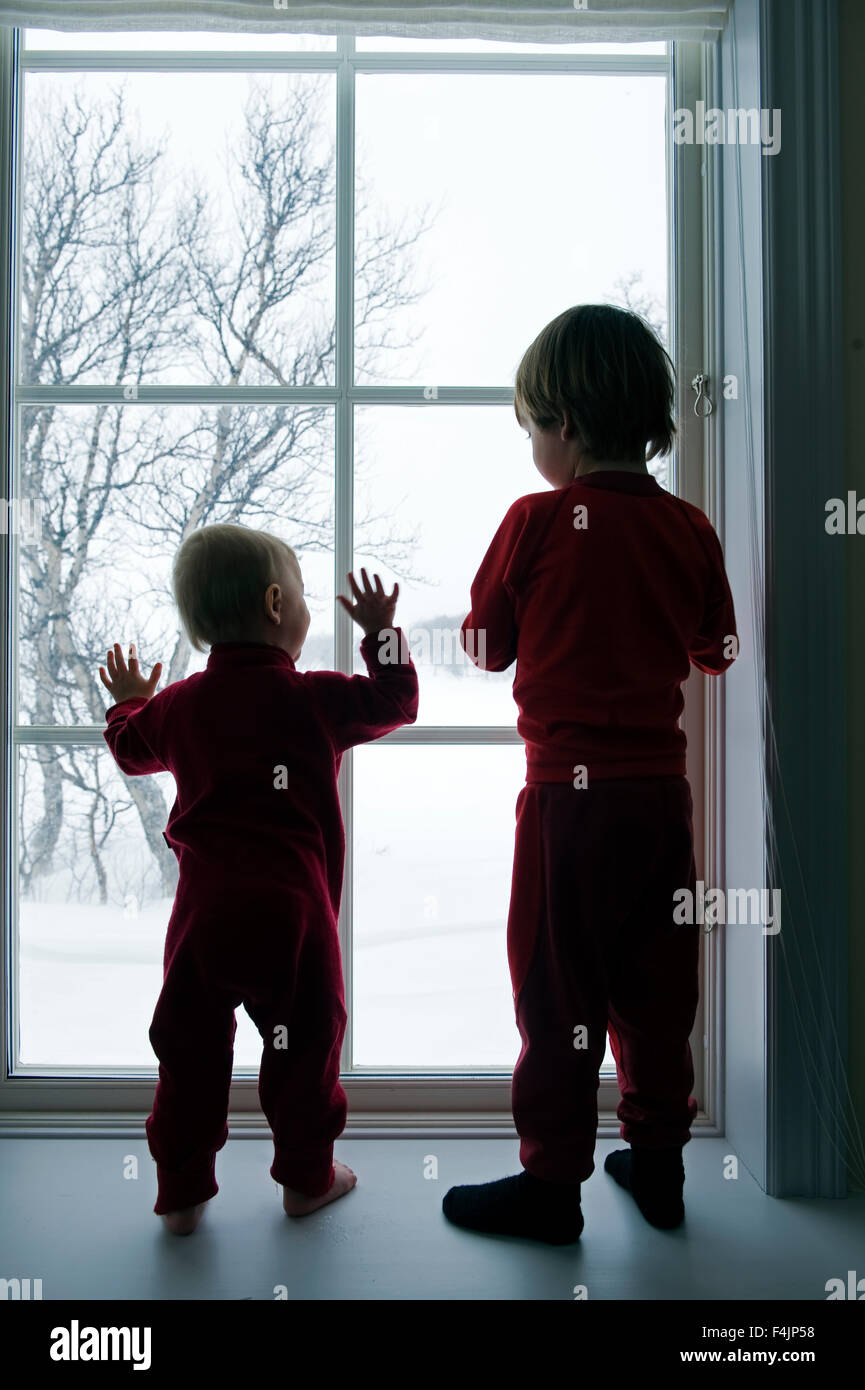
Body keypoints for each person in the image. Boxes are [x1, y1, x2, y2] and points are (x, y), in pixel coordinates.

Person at [443, 304, 737, 1245]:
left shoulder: (534, 522)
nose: (532, 443)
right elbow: (716, 649)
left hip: (565, 808)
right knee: (657, 990)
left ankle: (551, 1185)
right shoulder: (688, 527)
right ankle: (657, 1167)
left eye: (532, 424)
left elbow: (485, 646)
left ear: (563, 424)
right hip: (660, 801)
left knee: (556, 990)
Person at [99, 528, 417, 1234]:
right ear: (277, 604)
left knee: (189, 1051)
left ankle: (180, 1194)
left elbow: (127, 748)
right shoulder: (313, 700)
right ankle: (305, 1180)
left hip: (204, 917)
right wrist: (381, 632)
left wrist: (126, 702)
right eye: (302, 594)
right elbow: (396, 701)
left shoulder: (179, 706)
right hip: (294, 918)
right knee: (304, 1049)